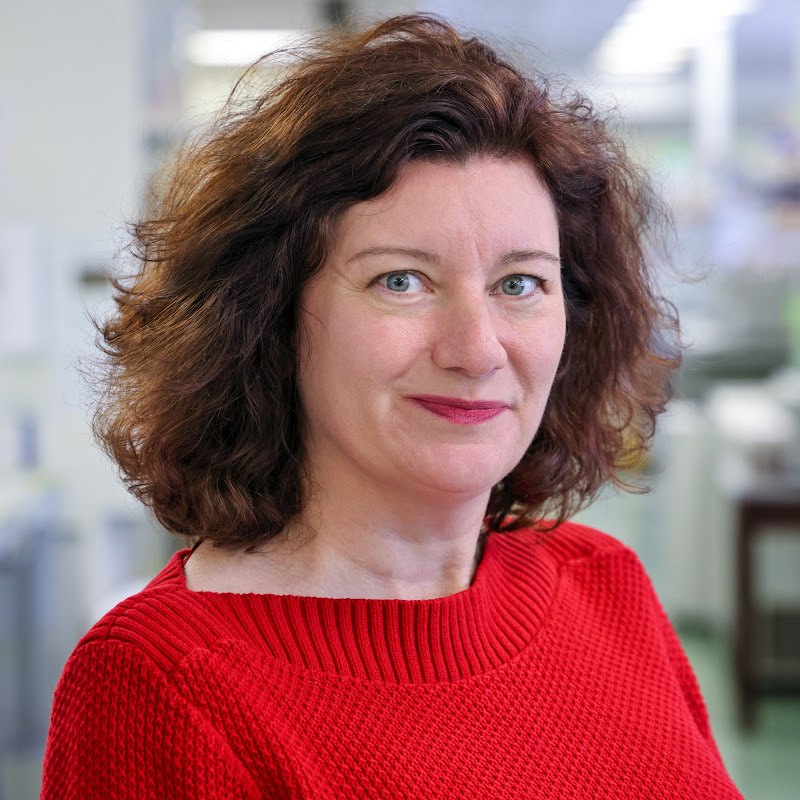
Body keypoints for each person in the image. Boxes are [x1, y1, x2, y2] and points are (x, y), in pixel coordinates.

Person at [41, 13, 743, 799]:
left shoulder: (604, 584)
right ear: (267, 315)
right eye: (400, 281)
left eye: (519, 284)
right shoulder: (161, 686)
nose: (476, 349)